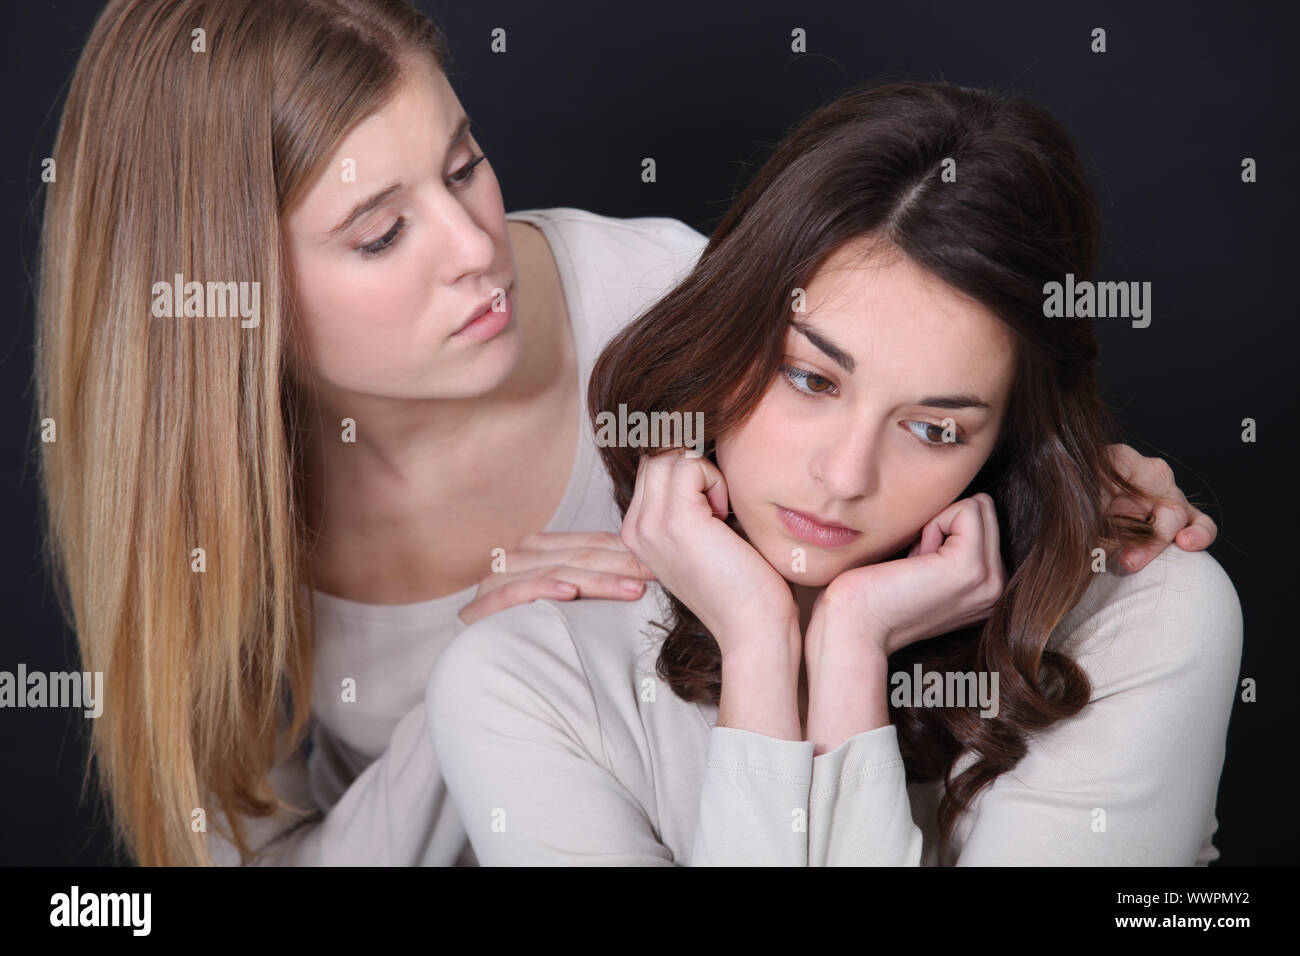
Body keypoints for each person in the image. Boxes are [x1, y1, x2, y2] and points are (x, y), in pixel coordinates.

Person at [34, 0, 1214, 865]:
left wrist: (1066, 474)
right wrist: (472, 694)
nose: (472, 247)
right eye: (381, 233)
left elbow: (927, 355)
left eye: (465, 164)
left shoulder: (677, 311)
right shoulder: (199, 520)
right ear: (225, 297)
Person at [426, 81, 1242, 865]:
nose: (846, 476)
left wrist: (851, 647)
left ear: (1007, 439)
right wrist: (760, 644)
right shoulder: (522, 681)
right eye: (812, 380)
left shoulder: (1143, 618)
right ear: (727, 338)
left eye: (933, 428)